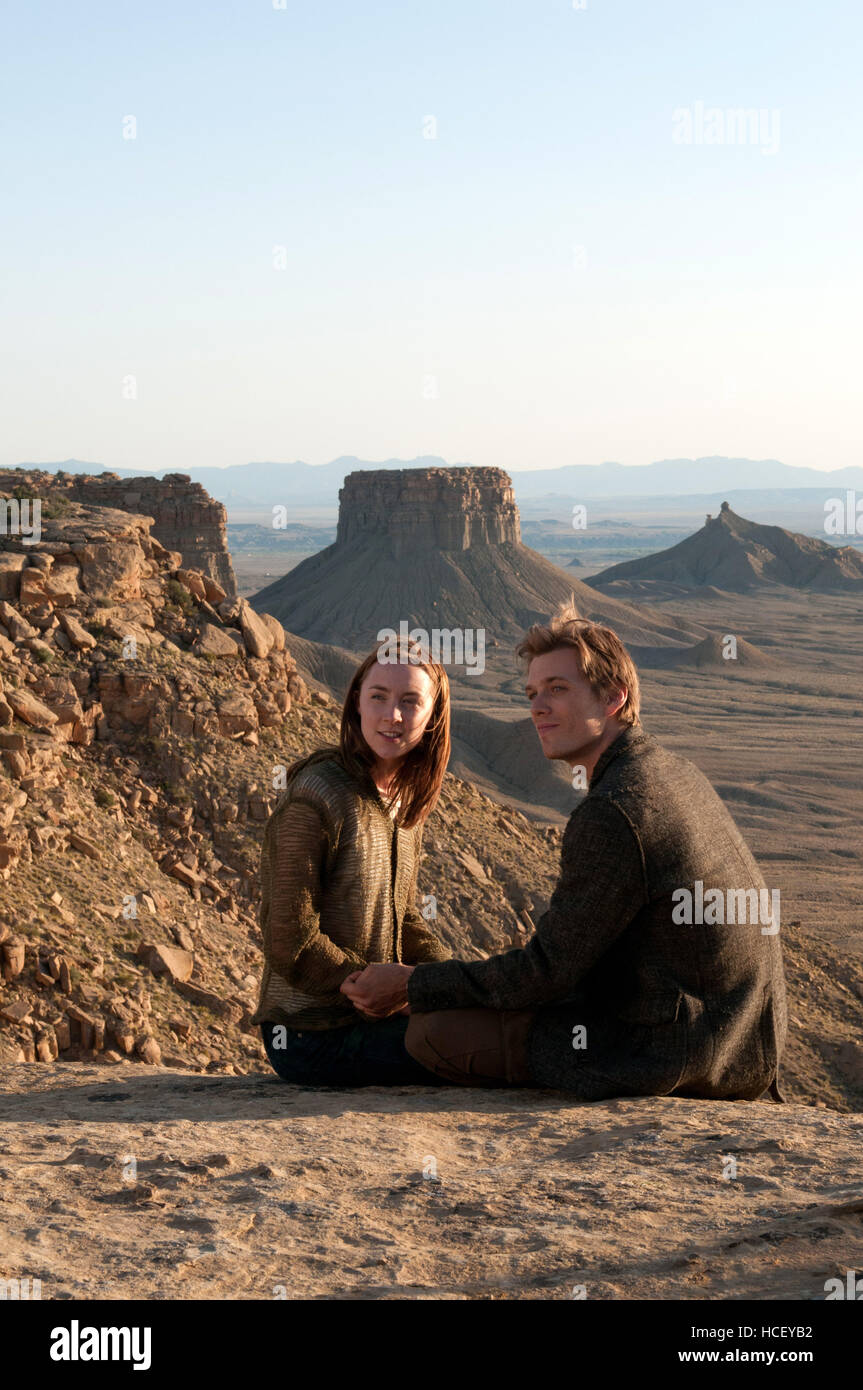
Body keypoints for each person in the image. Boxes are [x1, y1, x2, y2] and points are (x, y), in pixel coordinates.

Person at [343, 601, 789, 1103]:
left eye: (557, 690)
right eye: (532, 693)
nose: (537, 707)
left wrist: (412, 985)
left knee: (434, 1034)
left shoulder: (615, 812)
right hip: (740, 1041)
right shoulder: (674, 771)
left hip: (671, 1051)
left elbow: (545, 972)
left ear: (613, 698)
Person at [251, 637, 453, 1087]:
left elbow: (401, 916)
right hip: (310, 1034)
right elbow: (289, 936)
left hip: (374, 1018)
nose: (391, 715)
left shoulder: (403, 800)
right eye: (378, 697)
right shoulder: (317, 795)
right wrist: (368, 988)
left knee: (480, 1021)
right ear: (356, 703)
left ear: (433, 716)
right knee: (474, 1045)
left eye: (410, 701)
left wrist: (447, 979)